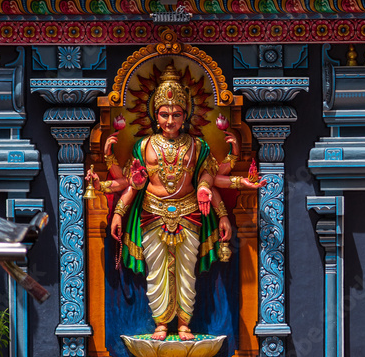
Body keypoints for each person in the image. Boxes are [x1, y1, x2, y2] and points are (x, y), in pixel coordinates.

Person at [91, 65, 263, 339]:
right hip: (152, 214)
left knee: (186, 271)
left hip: (189, 213)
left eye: (176, 114)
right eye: (164, 114)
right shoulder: (143, 146)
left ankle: (184, 323)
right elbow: (131, 184)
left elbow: (209, 181)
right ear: (155, 116)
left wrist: (222, 213)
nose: (170, 120)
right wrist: (117, 211)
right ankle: (160, 323)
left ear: (185, 116)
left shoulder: (198, 146)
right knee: (156, 272)